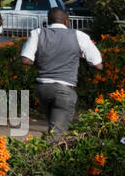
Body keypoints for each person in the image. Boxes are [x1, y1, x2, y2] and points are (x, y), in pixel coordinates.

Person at [20, 7, 103, 142]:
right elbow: (97, 64)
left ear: (49, 21)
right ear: (66, 21)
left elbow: (25, 59)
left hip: (43, 89)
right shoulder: (79, 36)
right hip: (64, 90)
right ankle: (45, 153)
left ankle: (46, 149)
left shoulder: (38, 33)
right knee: (57, 135)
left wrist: (42, 63)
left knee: (53, 127)